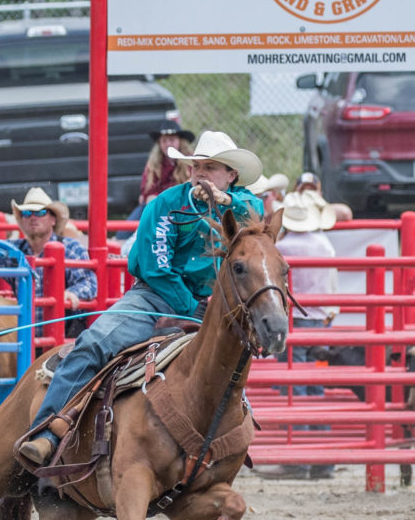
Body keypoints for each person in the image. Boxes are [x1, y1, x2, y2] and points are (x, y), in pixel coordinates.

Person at [18, 130, 266, 465]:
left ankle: (227, 447)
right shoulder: (165, 204)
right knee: (93, 343)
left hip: (215, 307)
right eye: (198, 166)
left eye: (212, 167)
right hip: (155, 299)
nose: (202, 173)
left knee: (232, 365)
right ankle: (45, 432)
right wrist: (194, 307)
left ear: (231, 175)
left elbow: (257, 217)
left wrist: (227, 203)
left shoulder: (245, 206)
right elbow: (155, 266)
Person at [278, 188, 342, 479]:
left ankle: (298, 457)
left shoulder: (282, 248)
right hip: (321, 320)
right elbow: (332, 283)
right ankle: (323, 458)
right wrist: (332, 311)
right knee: (317, 386)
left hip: (294, 320)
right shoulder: (324, 244)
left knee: (293, 387)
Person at [14, 187, 96, 310]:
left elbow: (89, 283)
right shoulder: (14, 250)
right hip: (25, 327)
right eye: (27, 213)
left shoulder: (71, 248)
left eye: (40, 212)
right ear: (22, 219)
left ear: (53, 219)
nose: (33, 217)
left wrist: (71, 293)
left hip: (63, 326)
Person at [138, 123, 189, 205]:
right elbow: (148, 189)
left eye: (172, 140)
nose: (168, 144)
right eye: (164, 140)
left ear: (180, 141)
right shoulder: (153, 163)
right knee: (133, 218)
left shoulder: (190, 161)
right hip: (158, 203)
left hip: (182, 204)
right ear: (159, 143)